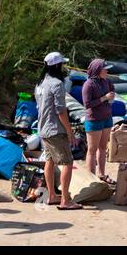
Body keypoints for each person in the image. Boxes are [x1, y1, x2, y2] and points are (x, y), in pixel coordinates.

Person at [35, 52, 83, 210]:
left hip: (43, 129)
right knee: (68, 163)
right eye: (62, 64)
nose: (63, 67)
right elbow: (61, 111)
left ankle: (52, 196)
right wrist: (70, 132)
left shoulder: (40, 84)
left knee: (49, 161)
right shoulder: (57, 84)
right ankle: (65, 200)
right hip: (55, 130)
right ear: (57, 66)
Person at [81, 58, 117, 185]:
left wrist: (111, 96)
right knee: (92, 149)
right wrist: (104, 98)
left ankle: (101, 174)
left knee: (102, 148)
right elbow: (87, 104)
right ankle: (90, 178)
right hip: (94, 119)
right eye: (105, 69)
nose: (107, 71)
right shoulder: (88, 84)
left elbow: (111, 93)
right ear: (98, 70)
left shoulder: (107, 81)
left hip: (107, 118)